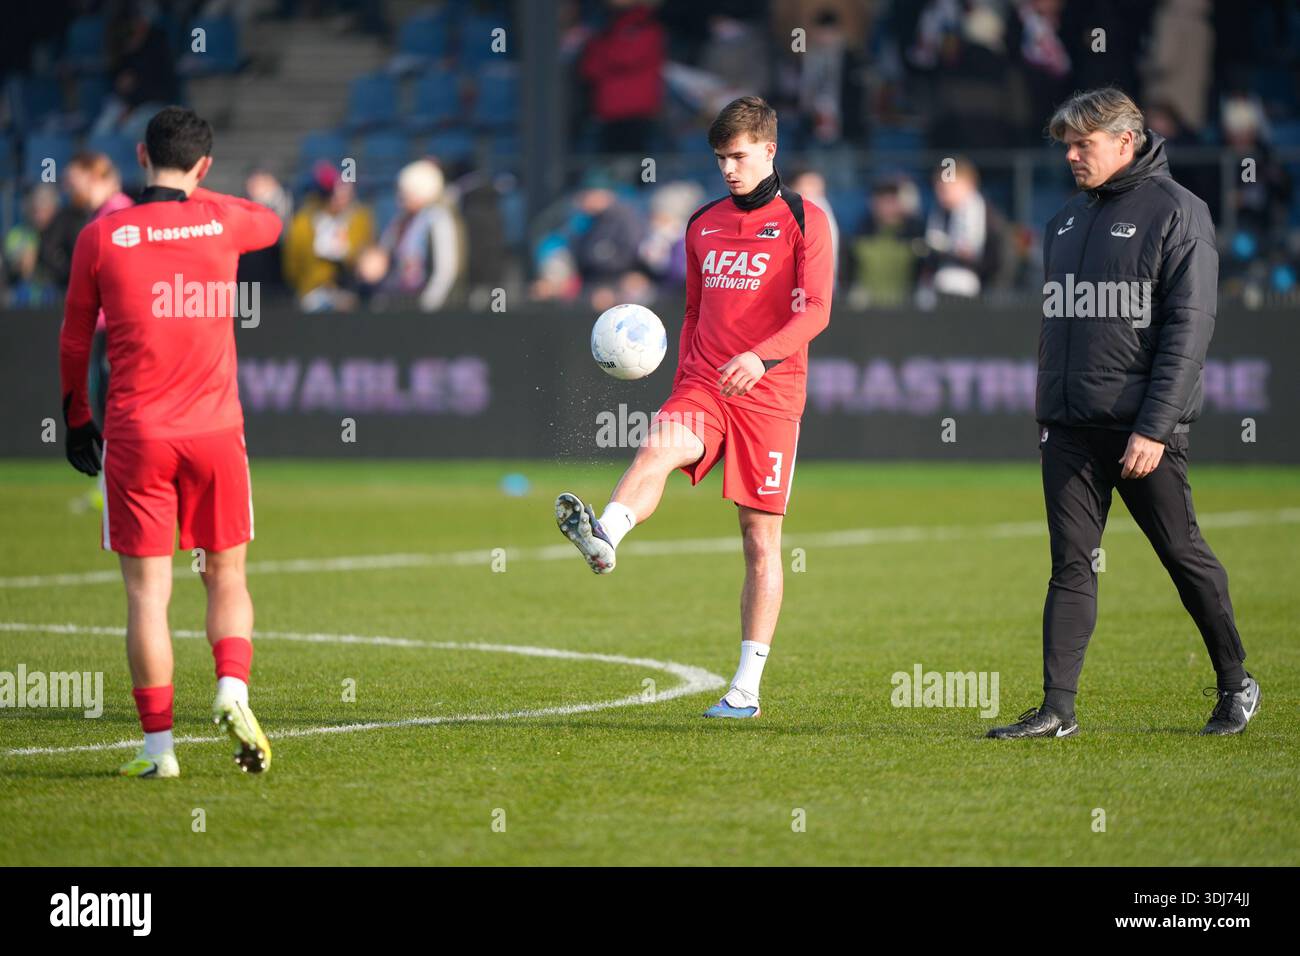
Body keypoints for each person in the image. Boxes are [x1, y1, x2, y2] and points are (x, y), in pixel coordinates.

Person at [989, 87, 1258, 740]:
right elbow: (1060, 324)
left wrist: (1154, 427)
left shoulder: (1178, 212)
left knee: (1180, 553)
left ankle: (1234, 679)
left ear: (1126, 140)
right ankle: (1058, 709)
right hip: (1071, 429)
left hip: (1142, 431)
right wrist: (1049, 409)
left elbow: (1189, 332)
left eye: (1084, 144)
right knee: (1070, 564)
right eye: (1067, 146)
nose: (1073, 156)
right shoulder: (1065, 221)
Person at [554, 96, 833, 719]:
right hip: (705, 382)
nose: (729, 170)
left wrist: (761, 358)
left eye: (739, 157)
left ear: (769, 149)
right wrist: (682, 379)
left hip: (770, 394)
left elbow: (816, 310)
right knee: (657, 446)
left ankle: (746, 688)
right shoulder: (702, 223)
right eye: (720, 159)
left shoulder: (805, 220)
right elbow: (692, 312)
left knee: (760, 542)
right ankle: (607, 535)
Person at [59, 106, 283, 777]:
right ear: (205, 166)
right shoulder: (223, 222)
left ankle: (160, 751)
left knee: (147, 595)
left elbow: (75, 339)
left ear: (137, 154)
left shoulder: (101, 236)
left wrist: (75, 418)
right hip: (216, 432)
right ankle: (231, 689)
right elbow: (268, 218)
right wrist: (193, 196)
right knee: (227, 573)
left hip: (136, 435)